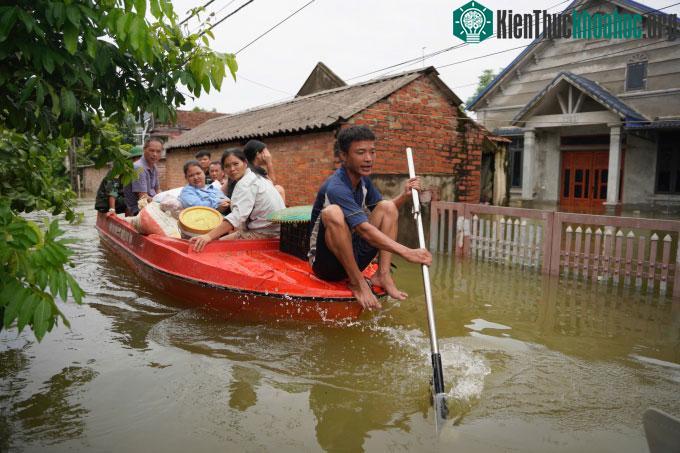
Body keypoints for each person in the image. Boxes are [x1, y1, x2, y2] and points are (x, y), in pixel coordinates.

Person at [308, 125, 432, 310]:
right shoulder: (335, 186)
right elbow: (364, 230)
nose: (368, 159)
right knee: (332, 212)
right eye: (360, 152)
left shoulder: (363, 181)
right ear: (343, 156)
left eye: (372, 152)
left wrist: (404, 196)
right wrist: (407, 252)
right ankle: (357, 282)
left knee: (387, 206)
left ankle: (383, 275)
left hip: (352, 253)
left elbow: (384, 213)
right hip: (327, 262)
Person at [190, 148, 285, 248]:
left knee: (214, 246)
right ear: (224, 169)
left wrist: (208, 236)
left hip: (267, 233)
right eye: (227, 166)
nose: (232, 169)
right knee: (219, 239)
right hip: (273, 229)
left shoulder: (246, 184)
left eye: (236, 164)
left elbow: (237, 217)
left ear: (245, 163)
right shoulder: (255, 177)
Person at [95, 145, 143, 215]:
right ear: (131, 160)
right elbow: (113, 191)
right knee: (132, 201)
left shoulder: (136, 172)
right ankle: (130, 218)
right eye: (139, 159)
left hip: (119, 199)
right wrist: (112, 209)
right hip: (104, 203)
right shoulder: (118, 171)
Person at [123, 138, 162, 216]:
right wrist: (160, 204)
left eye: (158, 151)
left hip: (152, 203)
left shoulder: (154, 167)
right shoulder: (138, 167)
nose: (155, 154)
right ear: (144, 150)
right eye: (152, 150)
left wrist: (164, 198)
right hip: (139, 209)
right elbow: (143, 197)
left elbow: (157, 189)